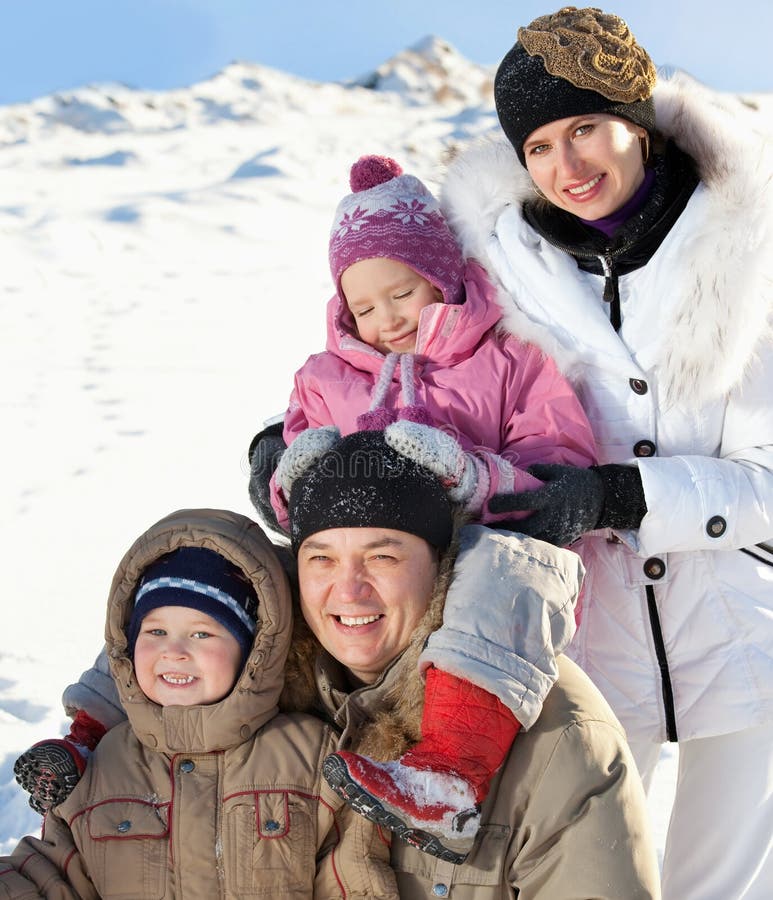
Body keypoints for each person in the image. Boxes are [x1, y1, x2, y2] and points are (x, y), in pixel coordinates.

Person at [438, 6, 773, 898]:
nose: (566, 166)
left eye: (585, 127)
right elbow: (433, 385)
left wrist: (616, 496)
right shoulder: (502, 268)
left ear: (636, 120)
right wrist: (301, 440)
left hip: (749, 639)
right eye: (539, 145)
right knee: (596, 882)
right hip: (594, 644)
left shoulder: (752, 252)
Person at [255, 152, 598, 859]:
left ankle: (447, 774)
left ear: (440, 275)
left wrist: (474, 477)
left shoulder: (507, 360)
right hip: (369, 581)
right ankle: (104, 731)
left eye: (401, 293)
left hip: (473, 578)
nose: (384, 319)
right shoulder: (324, 377)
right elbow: (294, 473)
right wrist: (295, 476)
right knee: (216, 558)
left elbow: (559, 466)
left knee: (503, 567)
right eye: (363, 307)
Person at [280, 428, 661, 897]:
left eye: (381, 556)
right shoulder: (256, 707)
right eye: (322, 559)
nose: (349, 589)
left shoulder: (560, 737)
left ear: (443, 562)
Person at [2, 508, 398, 899]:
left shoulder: (312, 757)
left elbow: (355, 880)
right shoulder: (104, 766)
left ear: (253, 651)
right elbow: (51, 875)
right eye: (155, 630)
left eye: (201, 634)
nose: (173, 651)